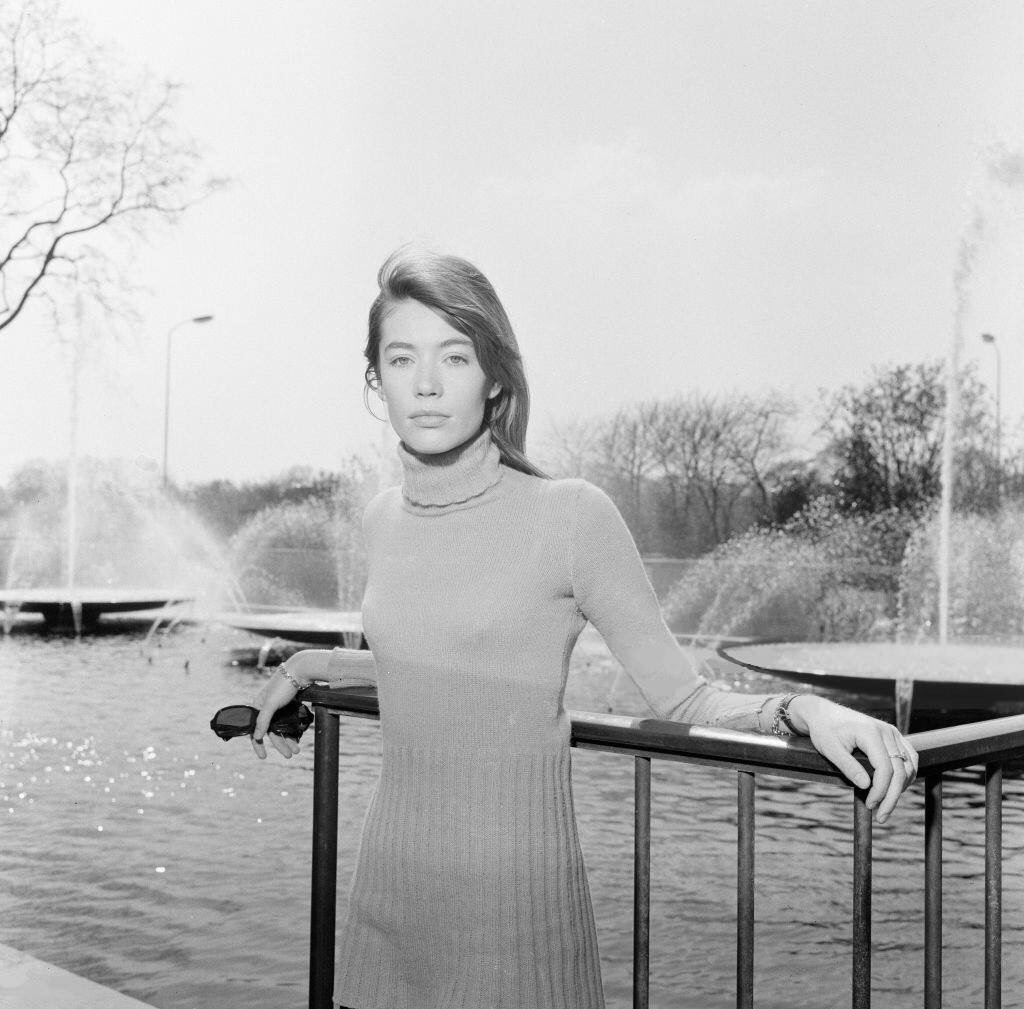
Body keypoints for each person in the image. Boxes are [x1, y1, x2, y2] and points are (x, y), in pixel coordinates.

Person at [251, 246, 919, 1009]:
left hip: (514, 928)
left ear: (496, 376)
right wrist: (307, 667)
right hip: (388, 909)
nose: (427, 384)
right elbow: (435, 674)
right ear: (377, 380)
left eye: (455, 356)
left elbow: (685, 697)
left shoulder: (570, 516)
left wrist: (804, 709)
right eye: (401, 359)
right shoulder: (380, 519)